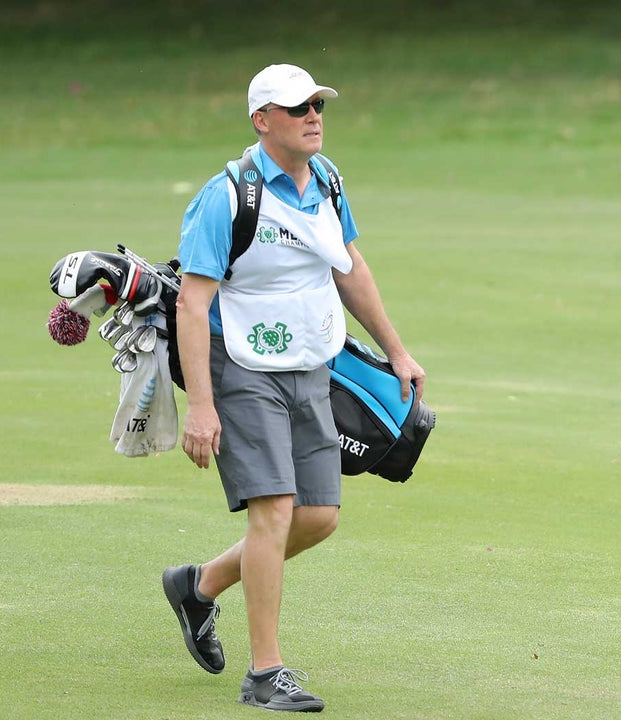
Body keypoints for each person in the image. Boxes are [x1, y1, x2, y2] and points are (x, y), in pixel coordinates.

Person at [161, 63, 426, 713]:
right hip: (241, 370)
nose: (313, 116)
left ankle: (199, 586)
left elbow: (350, 267)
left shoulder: (328, 180)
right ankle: (265, 674)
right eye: (297, 107)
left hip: (312, 367)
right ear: (262, 121)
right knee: (274, 510)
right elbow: (192, 307)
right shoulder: (227, 197)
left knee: (318, 517)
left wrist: (397, 351)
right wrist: (200, 405)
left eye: (317, 104)